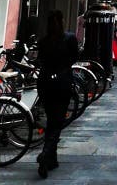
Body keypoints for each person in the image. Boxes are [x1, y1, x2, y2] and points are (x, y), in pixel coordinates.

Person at [36, 10, 79, 178]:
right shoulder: (69, 39)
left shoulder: (43, 41)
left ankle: (51, 159)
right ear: (61, 21)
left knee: (51, 119)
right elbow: (74, 58)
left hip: (45, 83)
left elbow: (41, 60)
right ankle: (45, 155)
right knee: (57, 122)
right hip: (61, 83)